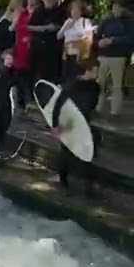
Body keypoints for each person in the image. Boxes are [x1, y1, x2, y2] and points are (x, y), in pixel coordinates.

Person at [51, 57, 102, 197]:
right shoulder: (70, 86)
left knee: (88, 153)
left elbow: (92, 105)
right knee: (66, 154)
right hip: (69, 124)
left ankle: (89, 185)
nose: (97, 73)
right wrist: (56, 126)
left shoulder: (95, 87)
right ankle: (63, 180)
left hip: (84, 124)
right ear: (88, 71)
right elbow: (58, 106)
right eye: (95, 70)